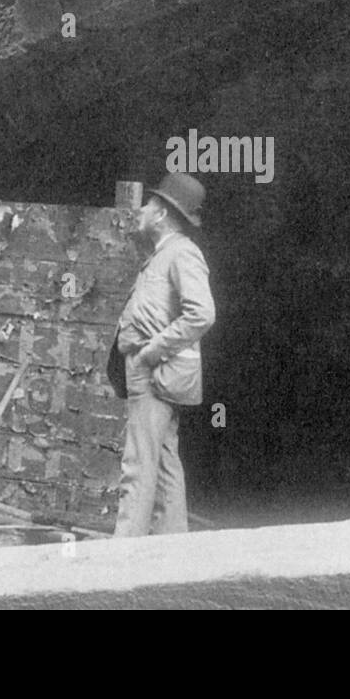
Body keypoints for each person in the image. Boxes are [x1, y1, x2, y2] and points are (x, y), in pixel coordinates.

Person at [108, 173, 215, 537]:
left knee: (138, 465)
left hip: (154, 371)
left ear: (162, 214)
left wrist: (153, 351)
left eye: (149, 204)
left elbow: (201, 313)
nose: (141, 209)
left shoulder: (182, 253)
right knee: (165, 463)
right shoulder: (165, 253)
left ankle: (122, 556)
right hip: (151, 371)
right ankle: (173, 551)